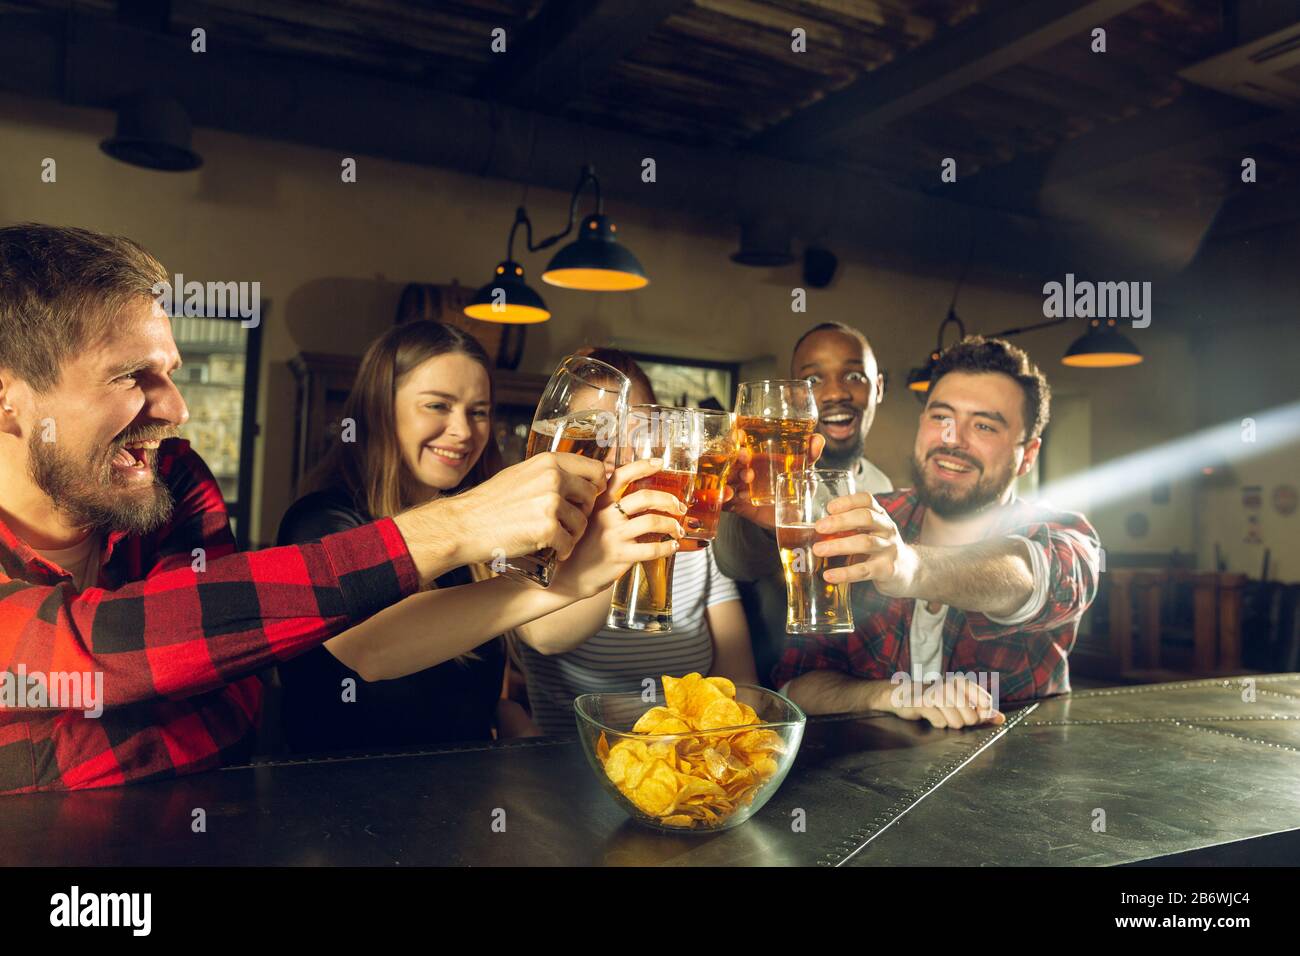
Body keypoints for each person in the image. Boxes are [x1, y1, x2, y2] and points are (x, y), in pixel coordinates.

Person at [0, 224, 676, 793]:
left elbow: (218, 671)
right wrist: (464, 525)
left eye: (170, 373)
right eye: (130, 377)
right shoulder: (329, 515)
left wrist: (582, 572)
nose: (176, 409)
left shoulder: (172, 477)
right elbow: (112, 647)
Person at [774, 337, 1102, 728]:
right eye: (940, 416)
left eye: (983, 425)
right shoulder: (868, 521)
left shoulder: (1065, 533)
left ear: (1027, 454)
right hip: (869, 784)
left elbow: (1025, 575)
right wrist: (889, 694)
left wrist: (909, 567)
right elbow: (795, 690)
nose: (951, 439)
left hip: (1019, 783)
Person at [513, 348, 758, 736]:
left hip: (683, 763)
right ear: (561, 441)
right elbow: (545, 637)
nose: (617, 453)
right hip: (568, 768)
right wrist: (626, 541)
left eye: (637, 432)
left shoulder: (690, 531)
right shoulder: (540, 531)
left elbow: (740, 680)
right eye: (596, 431)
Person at [714, 321, 891, 682]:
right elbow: (735, 562)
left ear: (879, 388)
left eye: (854, 376)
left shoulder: (882, 485)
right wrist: (770, 517)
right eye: (813, 381)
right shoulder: (763, 479)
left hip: (862, 687)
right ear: (795, 397)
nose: (835, 392)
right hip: (782, 684)